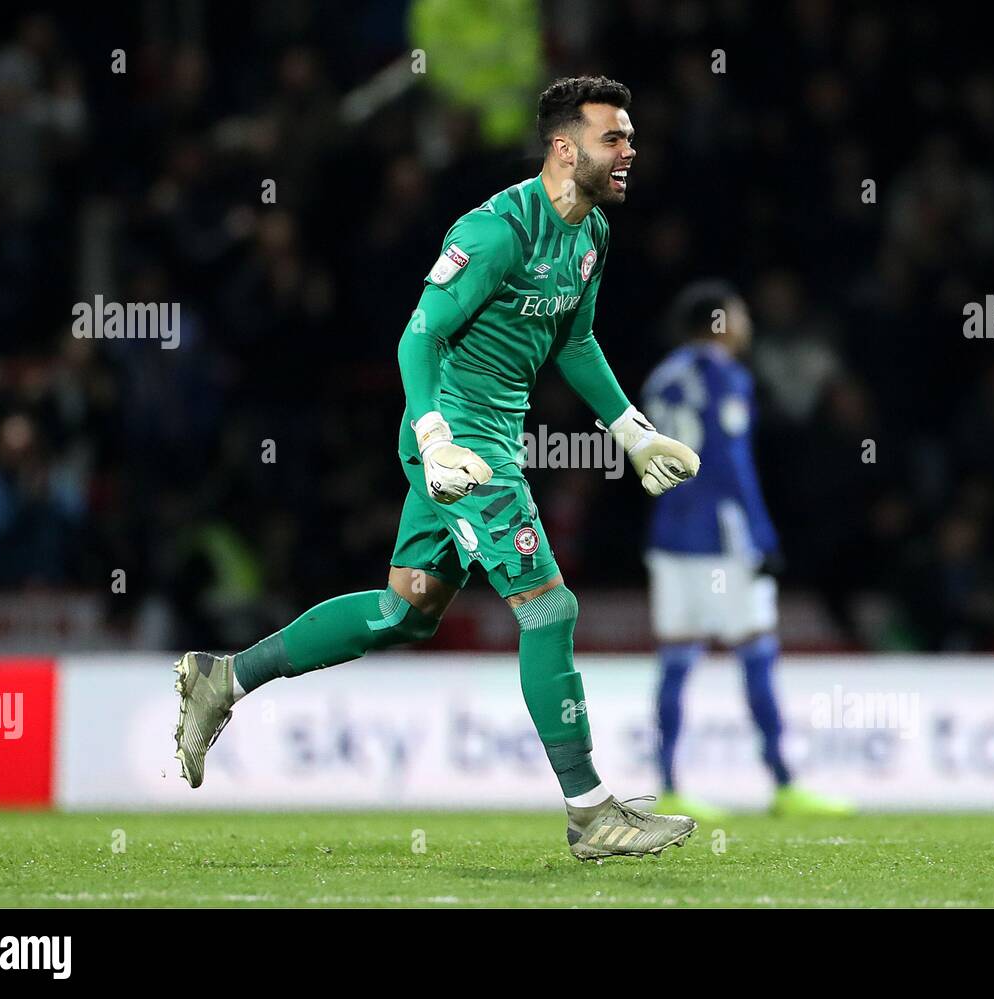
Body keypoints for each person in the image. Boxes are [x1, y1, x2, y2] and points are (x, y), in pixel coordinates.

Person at [172, 76, 705, 860]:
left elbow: (575, 340)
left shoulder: (591, 236)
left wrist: (631, 430)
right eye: (613, 139)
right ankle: (591, 812)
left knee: (406, 612)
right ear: (565, 148)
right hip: (461, 445)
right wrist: (432, 436)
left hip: (491, 438)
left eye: (630, 137)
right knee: (548, 609)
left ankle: (224, 677)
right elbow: (417, 337)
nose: (630, 152)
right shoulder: (497, 230)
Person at [643, 280, 854, 819]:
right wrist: (762, 536)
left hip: (669, 536)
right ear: (719, 321)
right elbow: (732, 466)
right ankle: (783, 782)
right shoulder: (726, 376)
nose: (747, 325)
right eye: (739, 315)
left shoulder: (661, 378)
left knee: (676, 659)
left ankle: (667, 785)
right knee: (757, 649)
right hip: (721, 537)